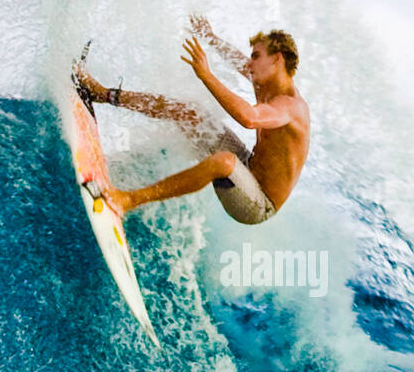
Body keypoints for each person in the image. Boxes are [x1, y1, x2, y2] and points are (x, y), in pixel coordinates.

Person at [72, 17, 309, 224]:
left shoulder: (290, 106)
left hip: (258, 203)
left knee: (224, 162)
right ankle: (100, 93)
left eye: (255, 56)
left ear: (277, 60)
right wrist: (210, 36)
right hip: (247, 164)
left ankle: (128, 200)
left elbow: (249, 118)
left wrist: (206, 74)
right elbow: (236, 59)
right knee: (190, 112)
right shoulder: (264, 79)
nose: (248, 63)